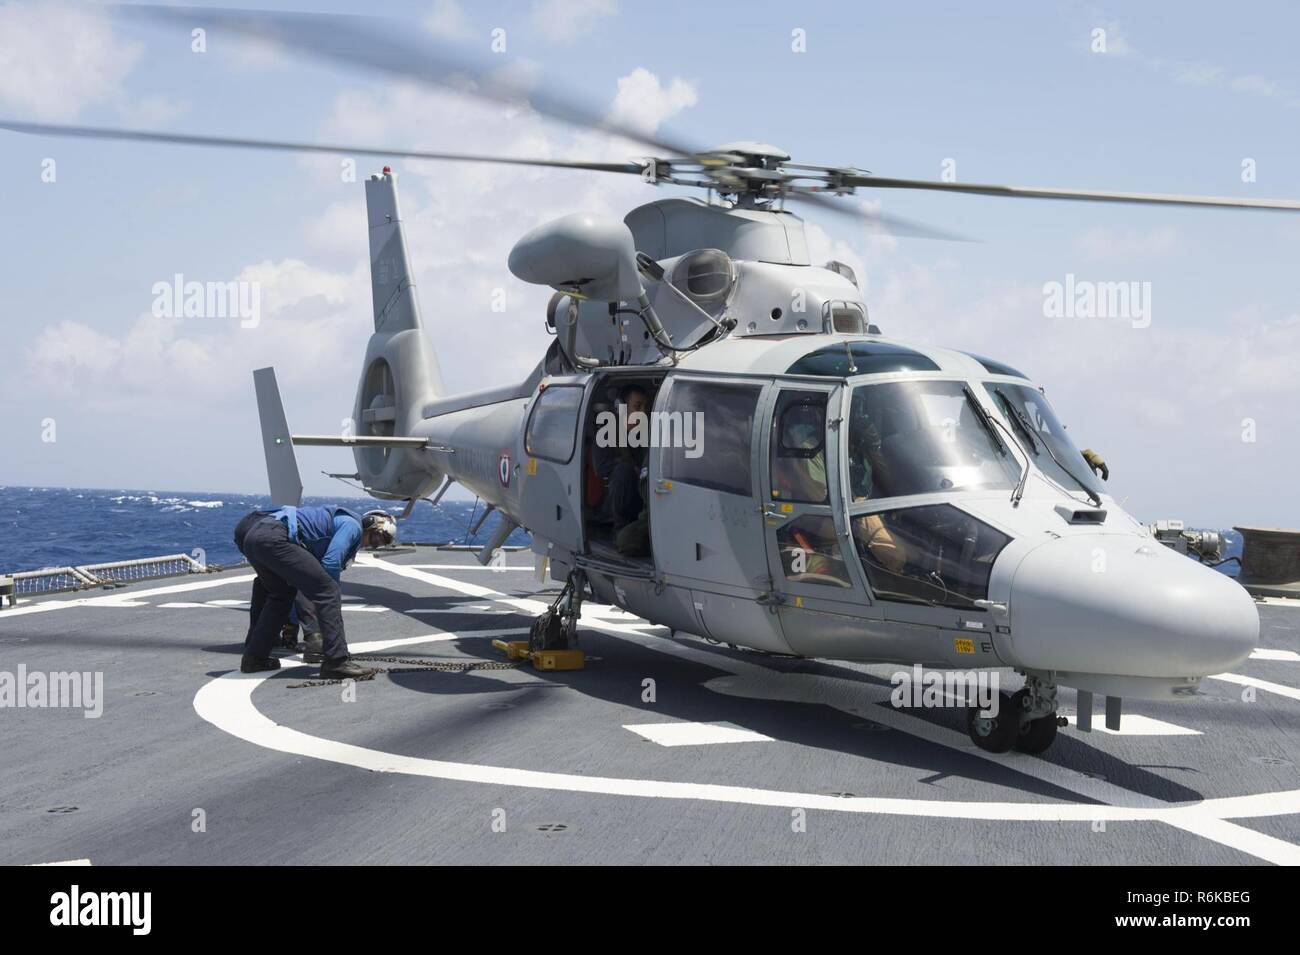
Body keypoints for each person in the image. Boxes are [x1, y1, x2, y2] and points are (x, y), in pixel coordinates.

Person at [232, 505, 397, 678]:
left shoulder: (340, 523)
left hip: (255, 538)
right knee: (329, 591)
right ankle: (336, 662)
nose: (372, 545)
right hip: (274, 536)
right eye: (375, 538)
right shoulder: (353, 526)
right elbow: (331, 563)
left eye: (378, 545)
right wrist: (330, 594)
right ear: (368, 523)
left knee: (281, 595)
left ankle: (254, 658)